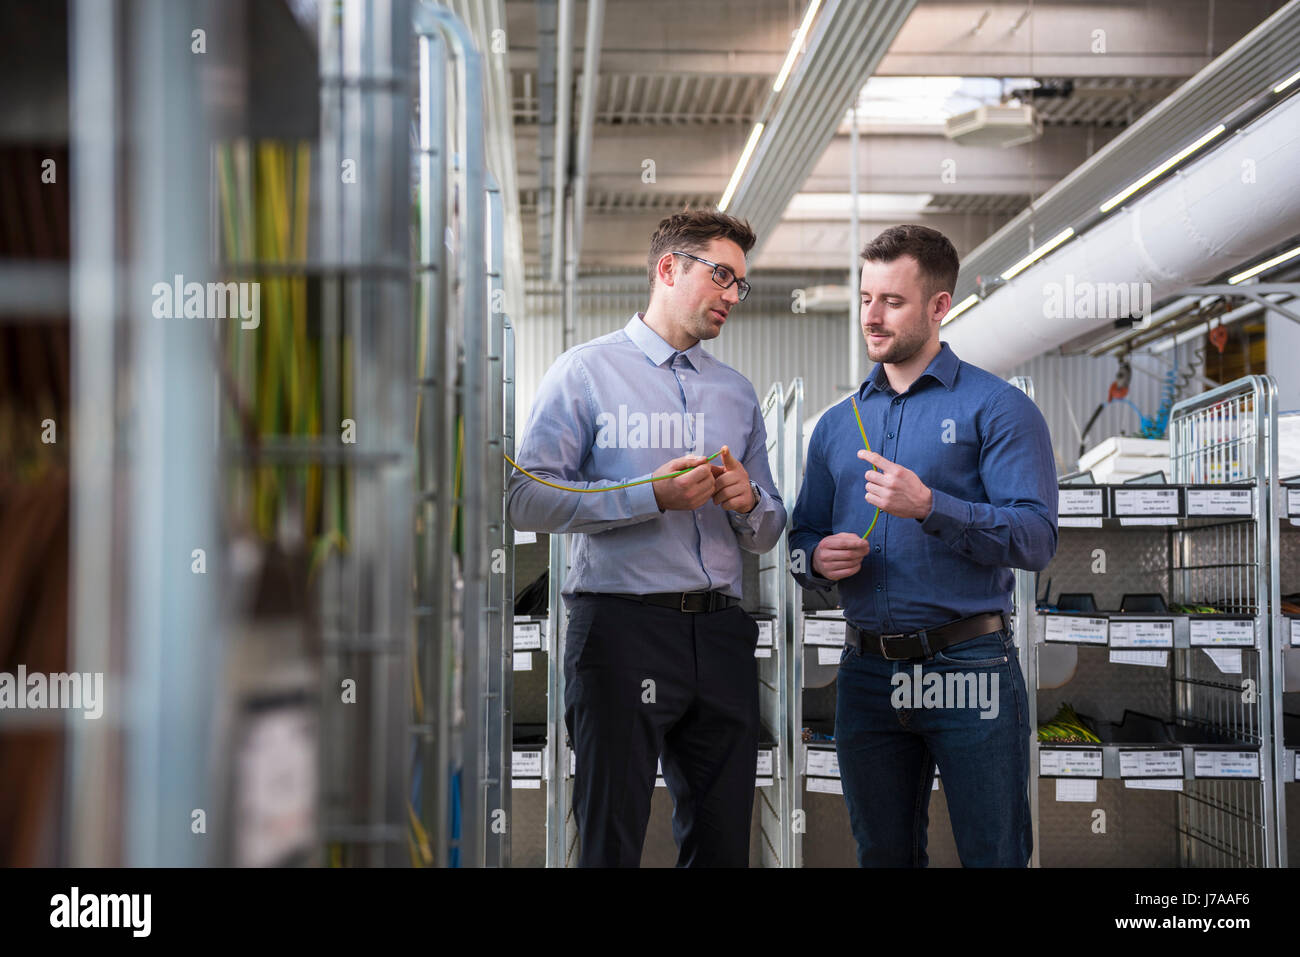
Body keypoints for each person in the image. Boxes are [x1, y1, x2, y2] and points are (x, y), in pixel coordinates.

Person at [507, 210, 786, 867]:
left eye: (740, 284)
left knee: (722, 845)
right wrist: (645, 496)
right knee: (611, 837)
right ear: (668, 269)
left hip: (721, 632)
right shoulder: (585, 373)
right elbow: (524, 498)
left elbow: (769, 527)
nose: (731, 296)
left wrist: (749, 502)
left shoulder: (738, 394)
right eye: (722, 275)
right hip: (621, 632)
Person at [789, 224, 1057, 867]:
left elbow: (1037, 537)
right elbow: (800, 538)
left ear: (939, 306)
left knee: (993, 852)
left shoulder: (998, 409)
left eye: (893, 301)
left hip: (969, 668)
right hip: (867, 675)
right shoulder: (835, 424)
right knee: (882, 853)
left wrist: (932, 507)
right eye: (865, 299)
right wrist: (817, 561)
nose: (872, 318)